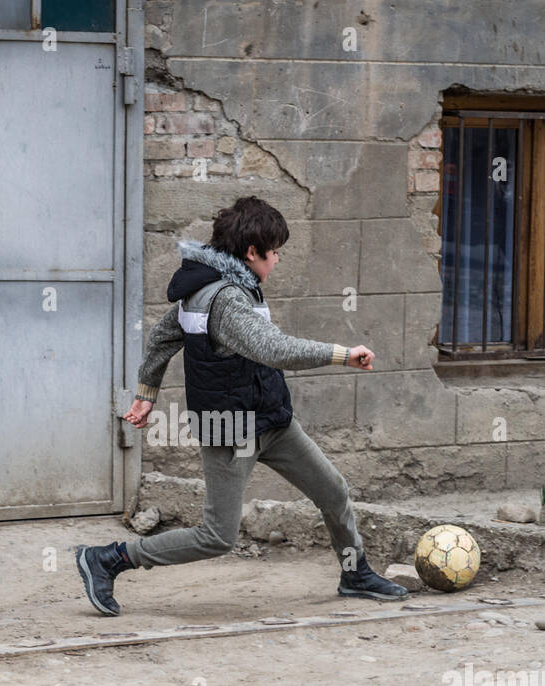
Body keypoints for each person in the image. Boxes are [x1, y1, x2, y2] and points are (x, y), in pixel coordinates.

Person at [76, 196, 407, 616]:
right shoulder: (224, 298)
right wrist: (344, 353)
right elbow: (275, 348)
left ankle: (355, 572)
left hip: (272, 420)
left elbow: (162, 337)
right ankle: (109, 558)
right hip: (231, 429)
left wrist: (146, 394)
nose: (278, 260)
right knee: (217, 536)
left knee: (333, 491)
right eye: (274, 252)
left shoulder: (227, 286)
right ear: (251, 252)